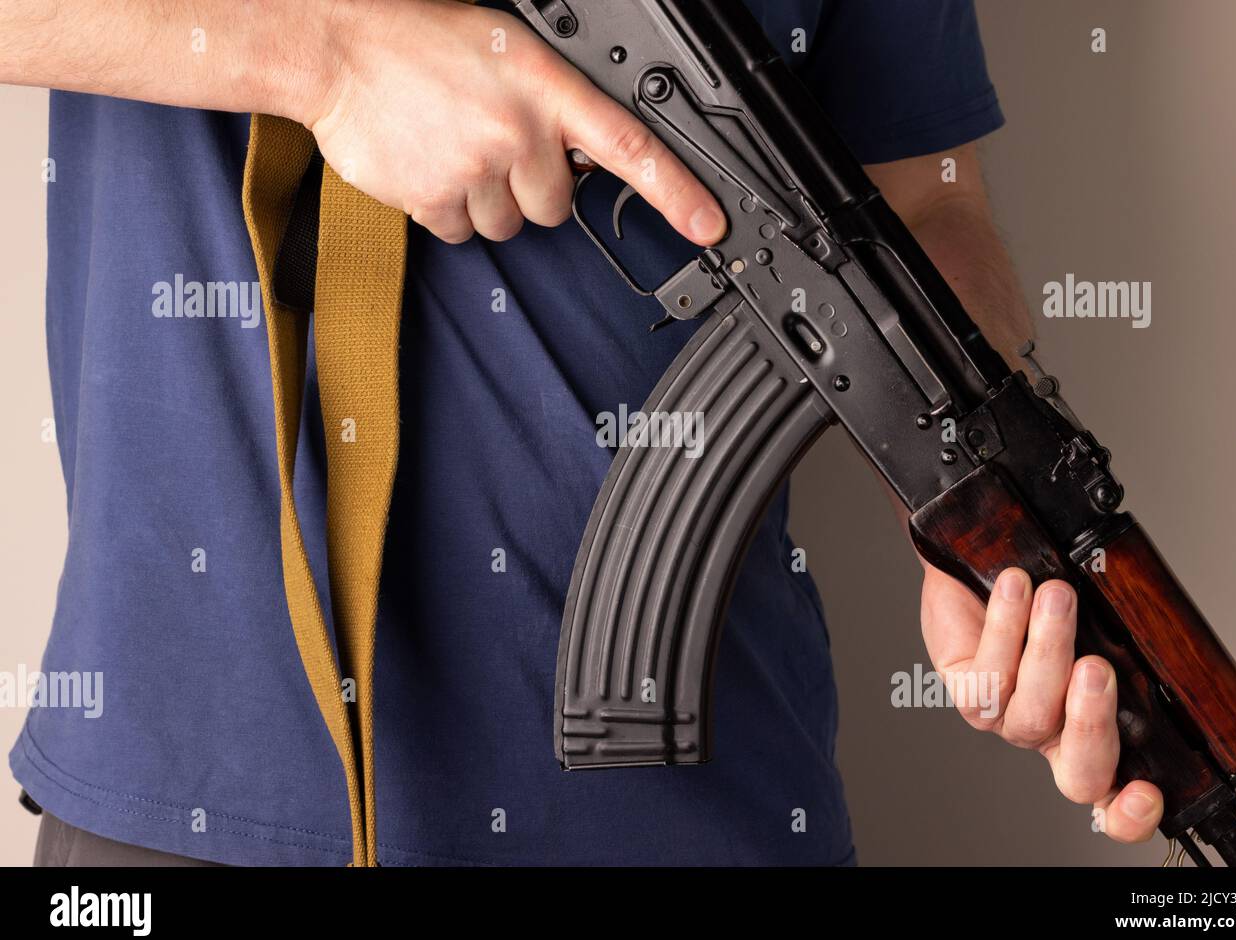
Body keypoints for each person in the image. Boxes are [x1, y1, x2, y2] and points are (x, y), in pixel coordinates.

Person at [0, 0, 1163, 866]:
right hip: (184, 792)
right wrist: (332, 57)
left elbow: (927, 198)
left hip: (703, 793)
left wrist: (974, 492)